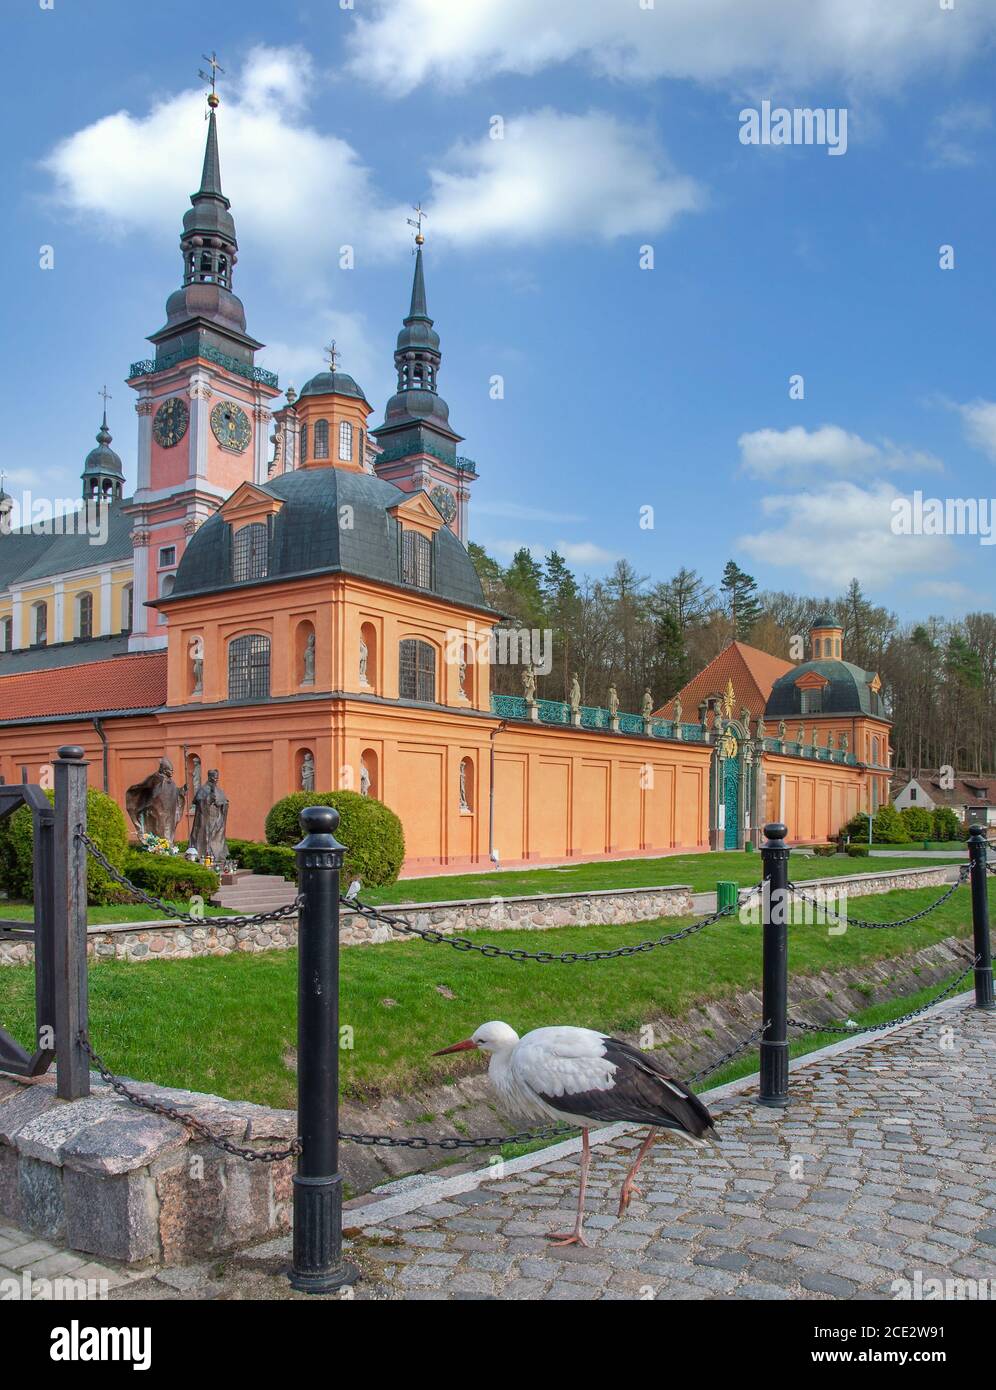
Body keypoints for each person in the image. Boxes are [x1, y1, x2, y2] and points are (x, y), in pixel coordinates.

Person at [190, 769, 229, 864]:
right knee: (205, 836)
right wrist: (208, 799)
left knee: (216, 836)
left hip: (217, 819)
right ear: (210, 777)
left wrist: (224, 804)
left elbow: (224, 801)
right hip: (205, 819)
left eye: (217, 777)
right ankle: (204, 855)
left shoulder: (218, 790)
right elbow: (198, 801)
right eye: (215, 777)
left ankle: (217, 854)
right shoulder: (203, 789)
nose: (217, 779)